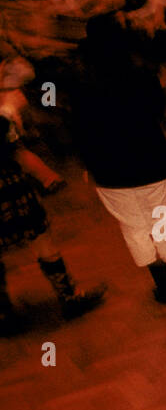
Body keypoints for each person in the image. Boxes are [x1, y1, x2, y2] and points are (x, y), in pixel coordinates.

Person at [69, 16, 166, 304]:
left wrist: (86, 164)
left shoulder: (80, 83)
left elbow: (74, 125)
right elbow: (158, 109)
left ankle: (162, 285)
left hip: (107, 168)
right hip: (147, 159)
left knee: (133, 226)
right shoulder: (139, 75)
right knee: (162, 219)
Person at [0, 117, 105, 333]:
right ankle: (69, 297)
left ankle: (3, 314)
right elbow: (18, 151)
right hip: (10, 187)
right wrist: (46, 176)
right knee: (42, 241)